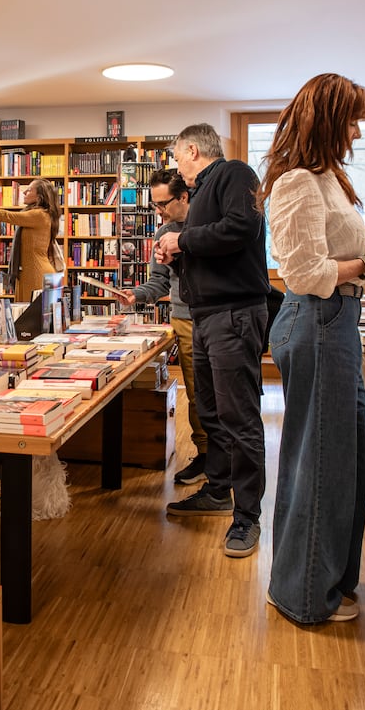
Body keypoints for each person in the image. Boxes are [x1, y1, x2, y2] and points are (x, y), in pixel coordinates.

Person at [258, 73, 365, 623]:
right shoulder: (296, 181)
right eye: (351, 119)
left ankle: (322, 582)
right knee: (322, 464)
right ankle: (303, 596)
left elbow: (326, 244)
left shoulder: (327, 179)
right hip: (321, 320)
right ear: (326, 119)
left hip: (336, 324)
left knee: (344, 461)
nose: (356, 130)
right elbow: (306, 272)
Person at [157, 123, 270, 559]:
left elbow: (241, 228)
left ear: (191, 149)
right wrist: (178, 254)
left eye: (176, 153)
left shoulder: (234, 173)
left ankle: (247, 518)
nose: (176, 162)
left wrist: (183, 239)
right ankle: (218, 491)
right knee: (212, 412)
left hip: (234, 315)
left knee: (240, 417)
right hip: (207, 317)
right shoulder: (201, 192)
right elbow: (211, 253)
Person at [119, 168, 208, 485]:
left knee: (225, 393)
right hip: (184, 318)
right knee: (197, 393)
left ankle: (230, 459)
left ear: (184, 196)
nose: (158, 211)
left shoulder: (209, 224)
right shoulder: (162, 233)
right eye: (154, 204)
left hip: (217, 316)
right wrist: (136, 294)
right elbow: (159, 282)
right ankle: (206, 457)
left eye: (163, 204)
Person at [0, 178, 62, 302]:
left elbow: (7, 216)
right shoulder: (38, 214)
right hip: (29, 272)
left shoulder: (40, 215)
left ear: (40, 197)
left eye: (29, 190)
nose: (24, 193)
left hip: (36, 274)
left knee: (32, 317)